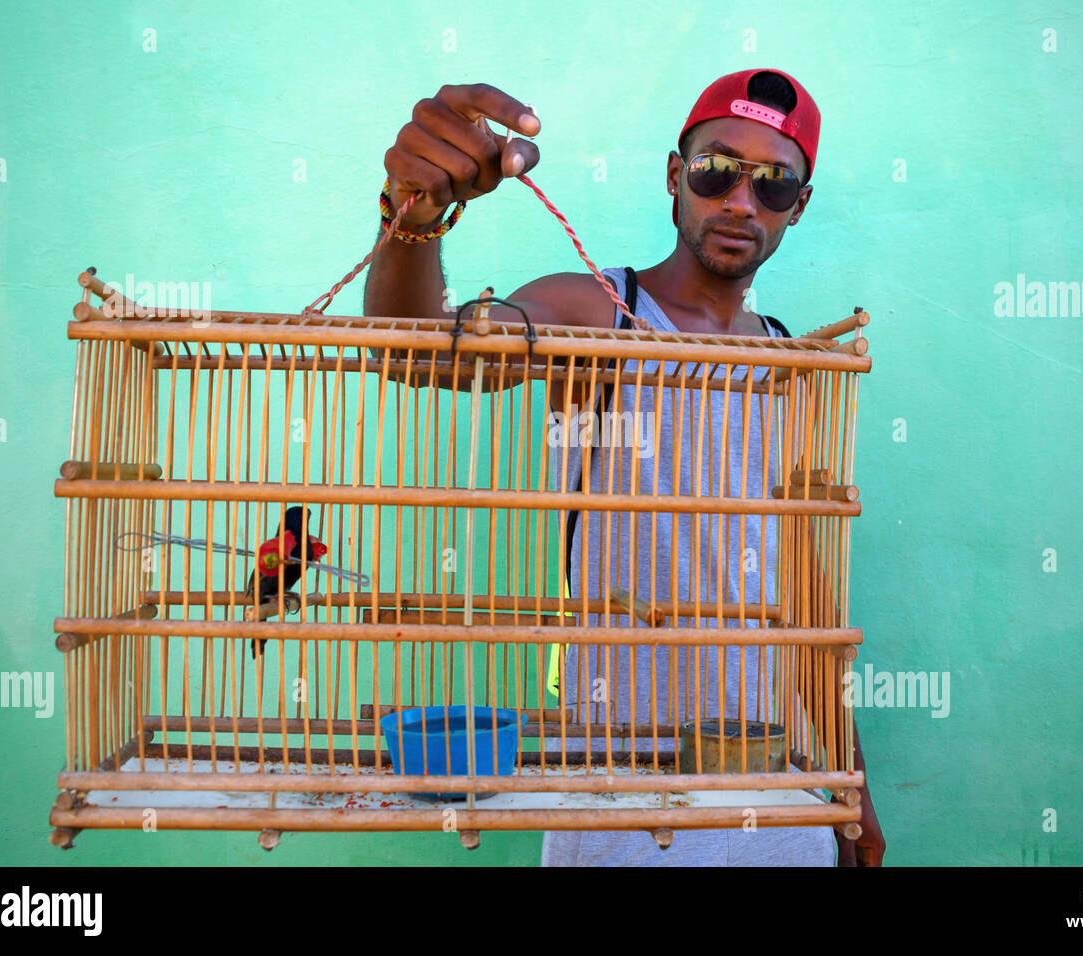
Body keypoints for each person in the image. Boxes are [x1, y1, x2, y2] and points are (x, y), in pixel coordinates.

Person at [364, 68, 884, 867]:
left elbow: (807, 598)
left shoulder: (793, 359)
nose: (741, 201)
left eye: (774, 184)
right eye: (717, 170)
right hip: (617, 799)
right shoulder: (598, 315)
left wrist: (853, 788)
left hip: (778, 797)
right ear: (677, 176)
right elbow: (423, 356)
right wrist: (415, 218)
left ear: (798, 208)